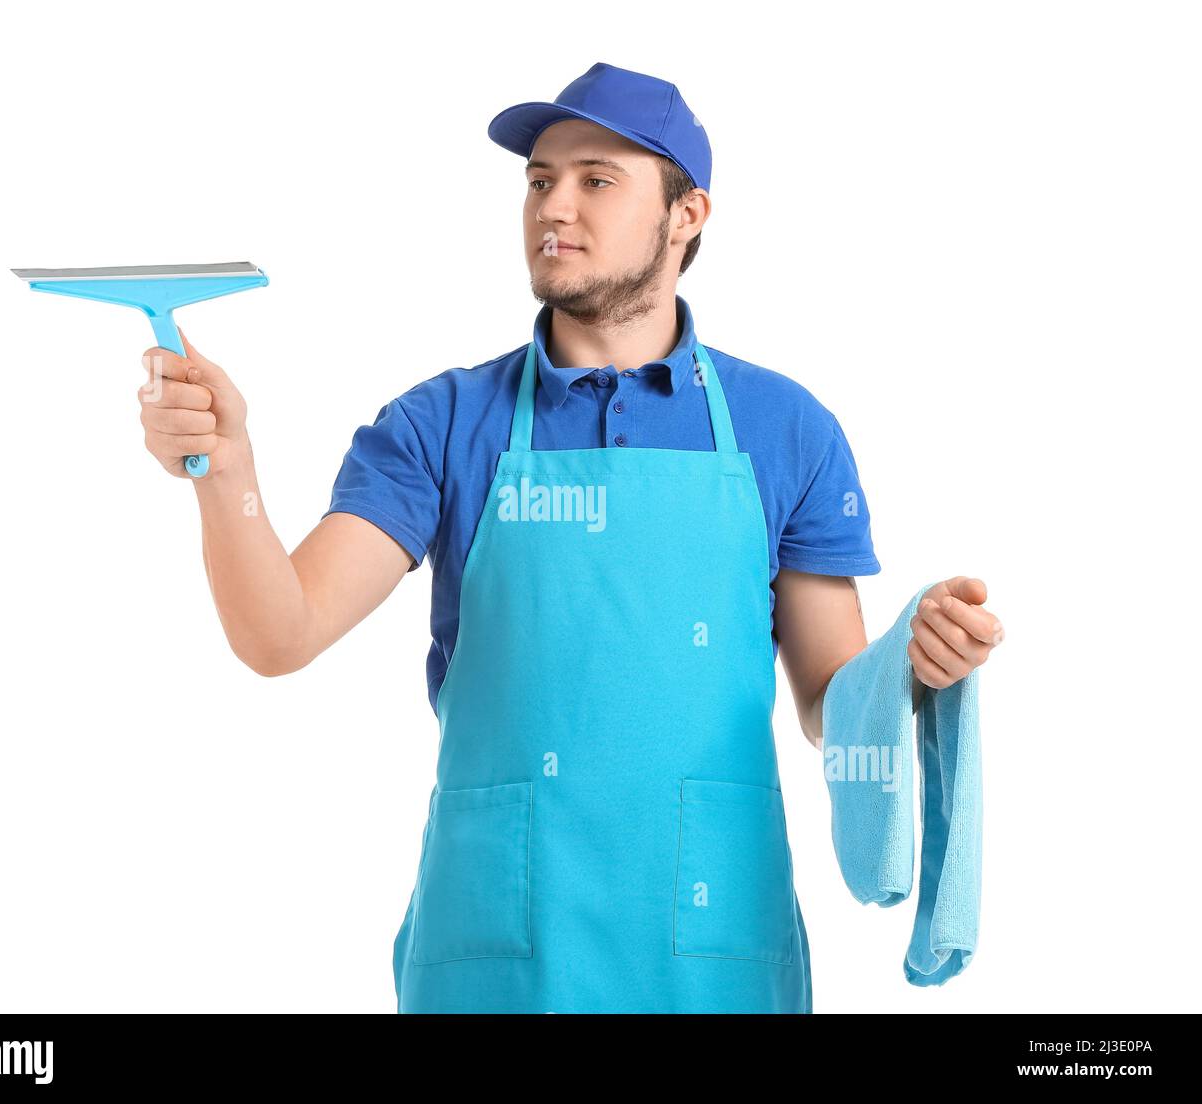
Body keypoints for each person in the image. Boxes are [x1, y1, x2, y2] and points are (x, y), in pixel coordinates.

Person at [136, 61, 1004, 1013]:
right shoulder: (441, 423)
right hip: (499, 951)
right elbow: (281, 631)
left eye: (597, 179)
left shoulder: (785, 428)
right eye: (540, 180)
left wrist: (907, 672)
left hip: (712, 952)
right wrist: (228, 472)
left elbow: (827, 705)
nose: (555, 206)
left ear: (687, 214)